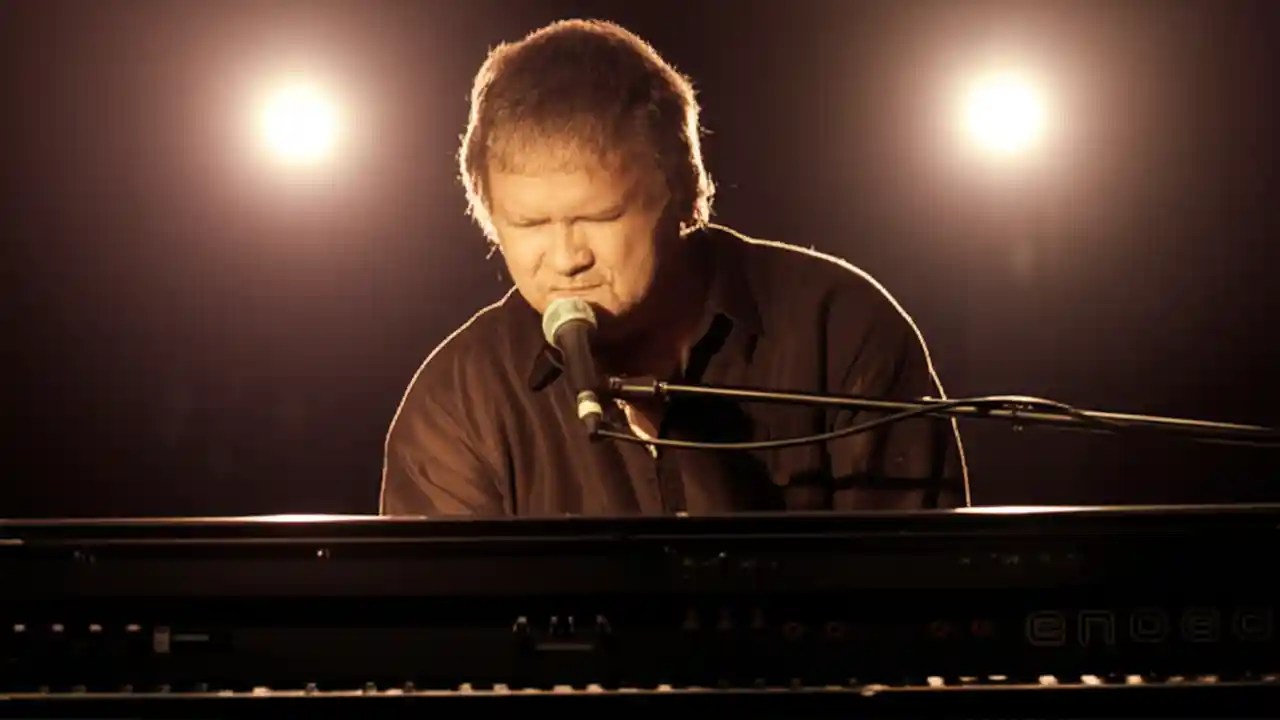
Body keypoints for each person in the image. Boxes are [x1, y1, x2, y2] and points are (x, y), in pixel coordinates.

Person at [379, 18, 968, 516]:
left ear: (683, 192)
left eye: (602, 217)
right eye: (529, 225)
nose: (566, 258)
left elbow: (917, 595)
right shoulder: (458, 400)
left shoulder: (840, 330)